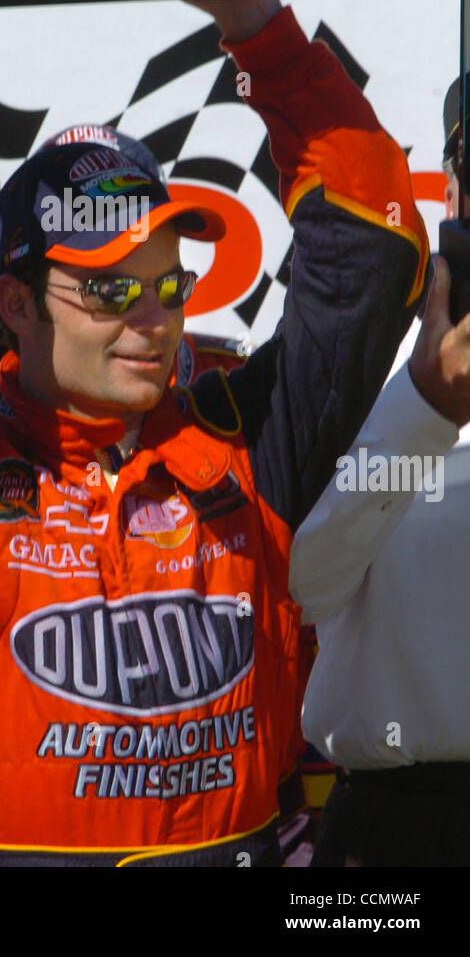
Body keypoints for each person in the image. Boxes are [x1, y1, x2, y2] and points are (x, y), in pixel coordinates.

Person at [0, 0, 428, 867]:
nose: (152, 319)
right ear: (11, 299)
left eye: (166, 286)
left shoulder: (247, 449)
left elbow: (374, 251)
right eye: (107, 289)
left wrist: (257, 24)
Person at [289, 79, 470, 868]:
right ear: (453, 187)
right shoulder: (367, 350)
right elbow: (302, 585)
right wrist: (423, 410)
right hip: (394, 832)